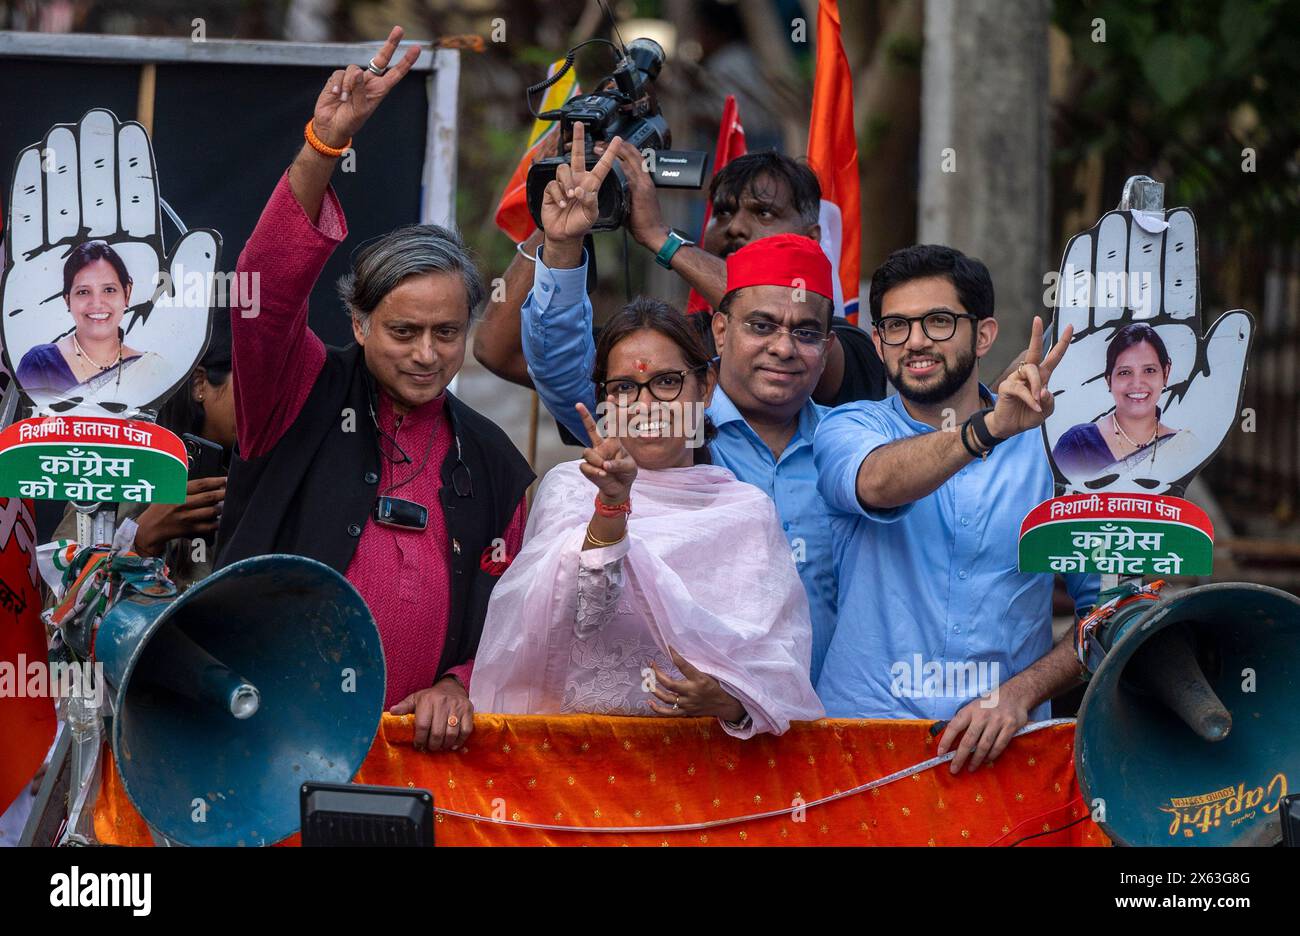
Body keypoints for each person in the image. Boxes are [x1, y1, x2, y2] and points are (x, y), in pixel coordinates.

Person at [213, 27, 534, 753]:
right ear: (357, 325)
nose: (427, 355)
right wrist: (324, 147)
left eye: (447, 334)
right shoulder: (297, 393)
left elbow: (515, 611)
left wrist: (461, 679)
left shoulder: (494, 461)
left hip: (419, 762)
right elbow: (262, 293)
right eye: (403, 332)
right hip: (263, 738)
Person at [519, 126, 846, 684]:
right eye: (760, 326)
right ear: (717, 337)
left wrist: (661, 239)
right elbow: (559, 370)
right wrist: (562, 246)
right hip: (666, 729)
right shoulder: (659, 433)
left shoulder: (856, 440)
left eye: (806, 333)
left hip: (832, 725)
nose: (784, 347)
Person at [470, 298, 823, 737]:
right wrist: (612, 508)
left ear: (706, 385)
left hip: (704, 776)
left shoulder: (745, 511)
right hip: (573, 767)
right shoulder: (572, 489)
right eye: (624, 388)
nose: (646, 405)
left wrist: (728, 701)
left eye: (667, 382)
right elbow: (579, 614)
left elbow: (781, 671)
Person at [812, 245, 1100, 772]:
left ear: (983, 335)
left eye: (939, 322)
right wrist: (988, 430)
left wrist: (1020, 693)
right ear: (877, 344)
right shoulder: (846, 427)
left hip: (1008, 753)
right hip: (858, 745)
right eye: (896, 326)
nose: (916, 341)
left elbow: (1107, 611)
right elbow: (878, 482)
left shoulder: (1054, 453)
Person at [473, 146, 886, 407]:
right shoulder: (668, 343)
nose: (735, 228)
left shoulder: (835, 342)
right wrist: (559, 221)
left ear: (812, 239)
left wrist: (659, 238)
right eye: (723, 213)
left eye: (763, 213)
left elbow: (768, 303)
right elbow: (501, 352)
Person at [48, 312, 234, 591]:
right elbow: (61, 611)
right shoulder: (116, 473)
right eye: (251, 380)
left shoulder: (269, 477)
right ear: (200, 384)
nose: (265, 397)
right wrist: (142, 540)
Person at [16, 240, 165, 402]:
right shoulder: (40, 365)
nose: (97, 303)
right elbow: (22, 425)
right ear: (67, 300)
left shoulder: (150, 370)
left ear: (127, 293)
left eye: (109, 290)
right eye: (83, 292)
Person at [1052, 322, 1198, 478]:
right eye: (1125, 372)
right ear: (1109, 380)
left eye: (1149, 370)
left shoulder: (1183, 446)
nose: (1137, 383)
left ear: (1166, 373)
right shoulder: (1078, 445)